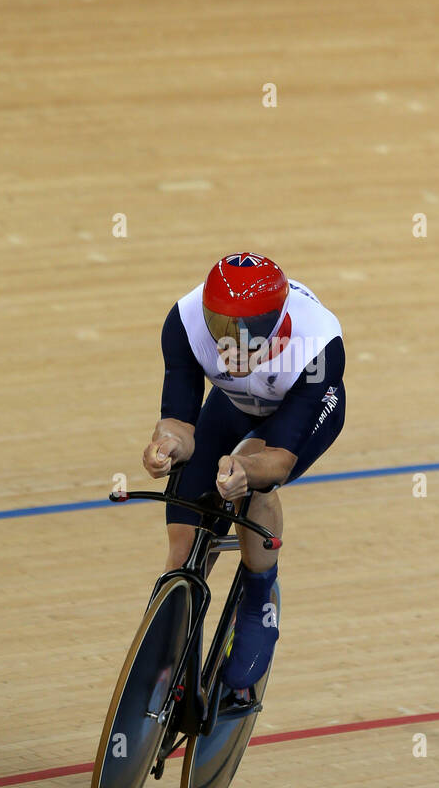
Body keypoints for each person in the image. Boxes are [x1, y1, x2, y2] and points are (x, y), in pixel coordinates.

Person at [142, 253, 345, 705]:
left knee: (249, 470)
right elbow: (179, 423)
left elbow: (278, 459)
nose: (229, 343)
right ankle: (175, 651)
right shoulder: (185, 321)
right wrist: (165, 447)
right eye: (221, 328)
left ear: (274, 325)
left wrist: (244, 473)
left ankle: (258, 599)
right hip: (233, 407)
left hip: (297, 421)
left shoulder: (317, 342)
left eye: (244, 335)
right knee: (182, 546)